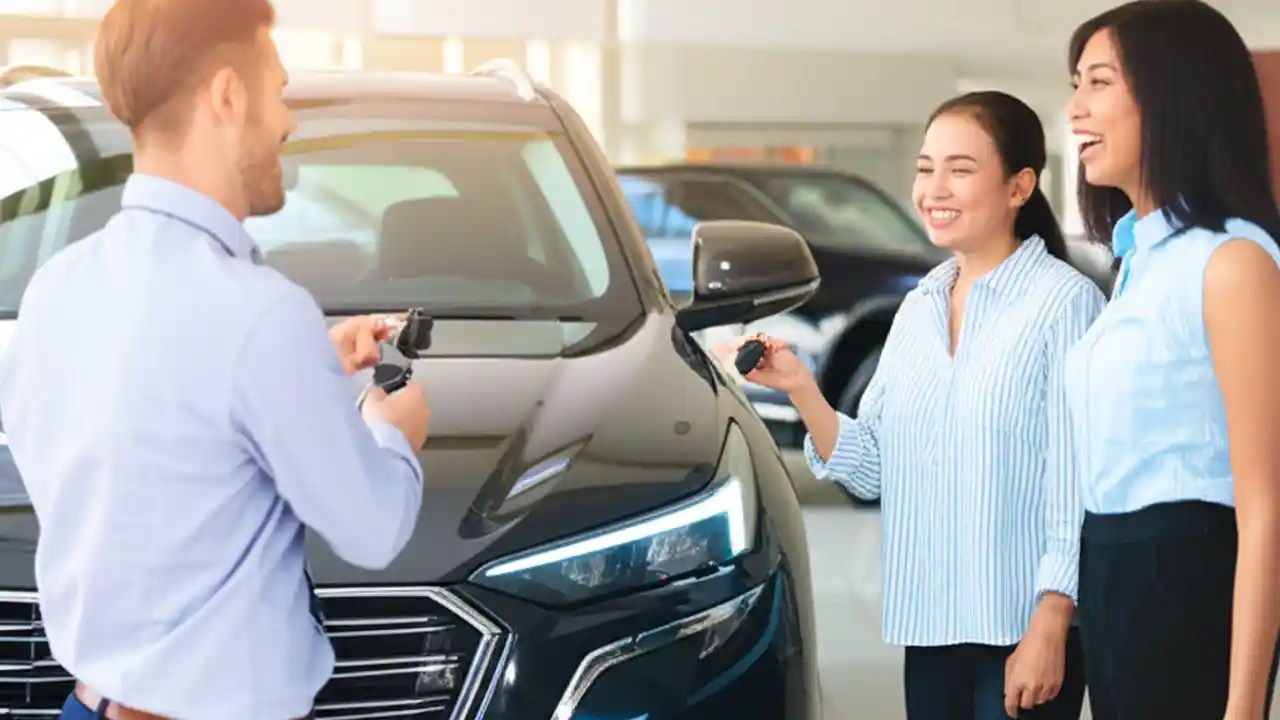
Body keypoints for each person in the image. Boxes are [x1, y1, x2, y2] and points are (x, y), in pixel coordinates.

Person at [0, 1, 431, 718]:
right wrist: (392, 429)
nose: (288, 123)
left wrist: (301, 371)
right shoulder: (259, 317)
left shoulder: (57, 290)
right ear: (228, 96)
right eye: (279, 92)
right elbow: (374, 529)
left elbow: (133, 461)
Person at [719, 90, 1103, 719]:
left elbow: (1074, 481)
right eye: (926, 168)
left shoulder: (1064, 304)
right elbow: (873, 467)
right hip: (930, 631)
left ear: (1019, 187)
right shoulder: (919, 306)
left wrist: (1053, 621)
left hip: (1021, 628)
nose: (934, 188)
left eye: (960, 168)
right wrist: (800, 389)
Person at [1062, 2, 1280, 718]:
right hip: (1116, 578)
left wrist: (1244, 709)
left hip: (1183, 585)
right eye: (1075, 84)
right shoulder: (1135, 259)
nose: (1074, 110)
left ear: (1171, 95)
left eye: (1098, 82)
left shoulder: (1233, 261)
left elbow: (1267, 505)